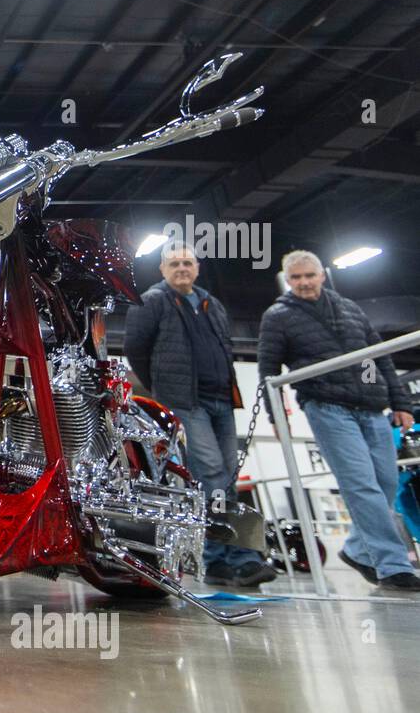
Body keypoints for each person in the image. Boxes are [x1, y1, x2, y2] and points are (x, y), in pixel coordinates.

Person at [258, 250, 419, 590]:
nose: (304, 282)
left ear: (322, 275)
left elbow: (378, 357)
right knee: (361, 485)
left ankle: (357, 550)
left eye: (309, 275)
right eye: (296, 277)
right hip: (327, 407)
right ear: (288, 280)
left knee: (386, 483)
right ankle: (393, 566)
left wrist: (400, 402)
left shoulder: (350, 309)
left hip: (372, 407)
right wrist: (277, 416)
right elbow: (268, 371)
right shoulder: (277, 316)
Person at [123, 241, 276, 587]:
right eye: (174, 263)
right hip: (187, 402)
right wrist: (163, 388)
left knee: (227, 478)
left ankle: (215, 557)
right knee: (212, 474)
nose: (181, 268)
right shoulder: (152, 301)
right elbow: (135, 349)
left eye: (187, 263)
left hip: (222, 400)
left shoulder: (212, 304)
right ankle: (242, 558)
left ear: (197, 268)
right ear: (162, 269)